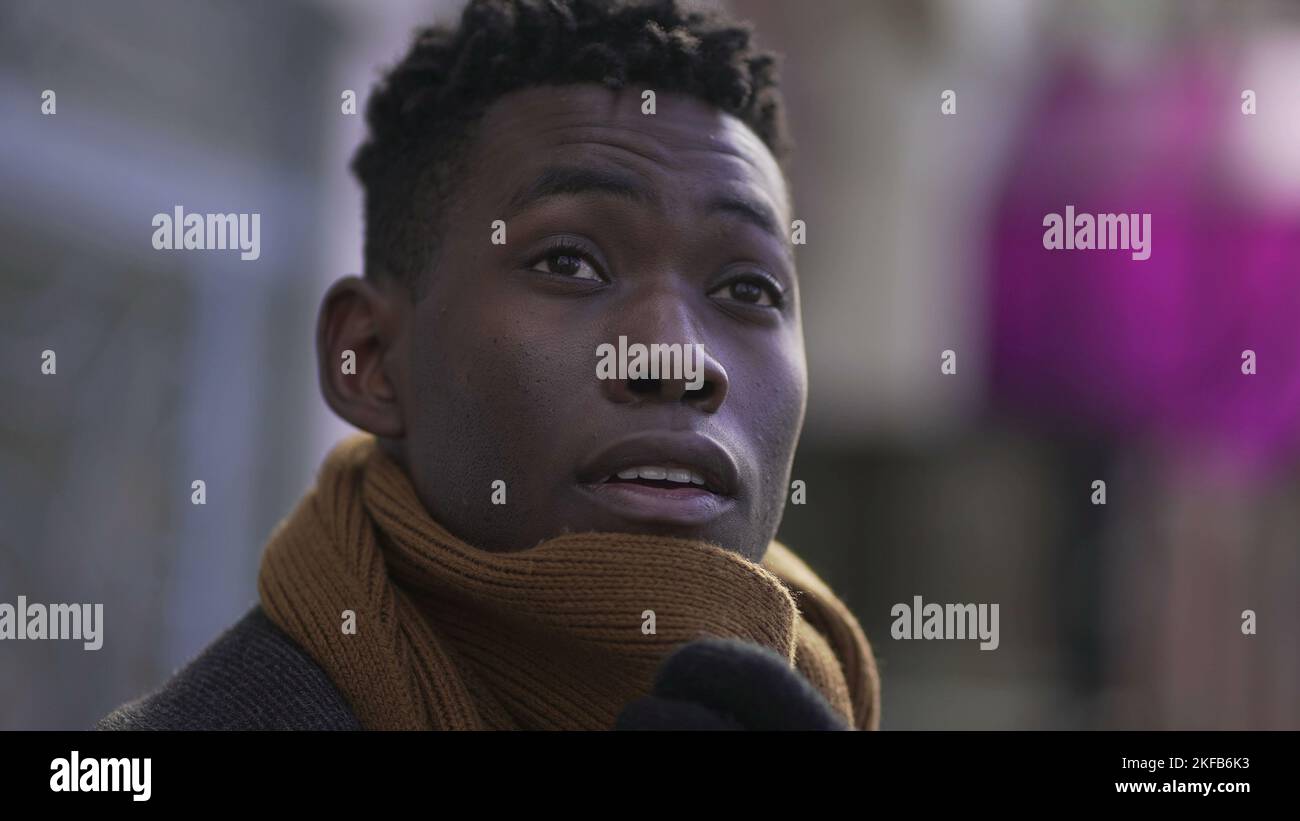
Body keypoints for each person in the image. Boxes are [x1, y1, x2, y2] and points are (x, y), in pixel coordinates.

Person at [99, 0, 879, 731]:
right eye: (570, 262)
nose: (674, 359)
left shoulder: (818, 695)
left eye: (748, 286)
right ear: (369, 358)